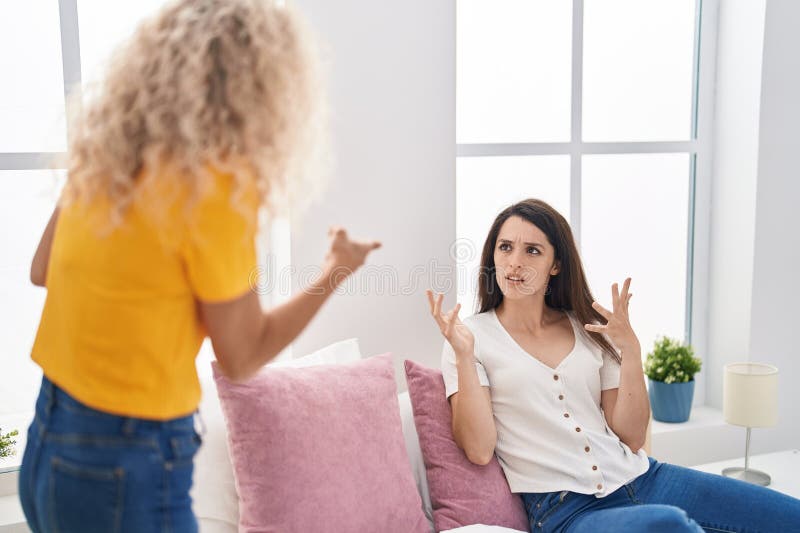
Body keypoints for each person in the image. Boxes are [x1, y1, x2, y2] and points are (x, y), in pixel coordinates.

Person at [19, 1, 380, 531]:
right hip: (127, 460)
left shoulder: (108, 153)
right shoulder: (218, 186)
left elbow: (42, 269)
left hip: (48, 439)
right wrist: (335, 271)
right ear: (266, 89)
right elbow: (242, 355)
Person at [426, 199, 800, 532]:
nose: (515, 262)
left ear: (556, 265)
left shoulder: (586, 326)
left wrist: (631, 351)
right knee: (668, 525)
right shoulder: (469, 338)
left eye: (532, 250)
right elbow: (478, 449)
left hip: (645, 478)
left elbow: (632, 436)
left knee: (788, 515)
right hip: (569, 511)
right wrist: (461, 356)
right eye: (505, 247)